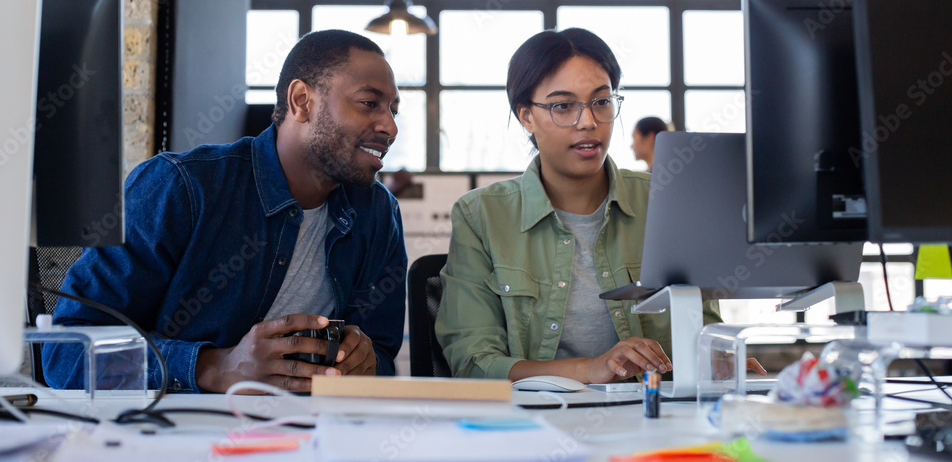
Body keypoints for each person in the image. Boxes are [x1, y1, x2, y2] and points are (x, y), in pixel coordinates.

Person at [43, 30, 408, 393]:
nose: (390, 127)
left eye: (393, 110)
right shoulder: (180, 187)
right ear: (301, 100)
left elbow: (384, 355)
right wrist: (213, 367)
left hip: (311, 440)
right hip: (179, 442)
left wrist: (368, 362)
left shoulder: (379, 214)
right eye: (368, 103)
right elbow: (68, 354)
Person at [436, 29, 756, 384]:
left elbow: (703, 329)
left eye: (601, 102)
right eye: (563, 106)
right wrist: (589, 369)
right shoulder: (481, 216)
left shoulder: (668, 202)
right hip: (535, 424)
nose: (588, 121)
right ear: (526, 116)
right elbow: (473, 362)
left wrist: (717, 360)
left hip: (651, 420)